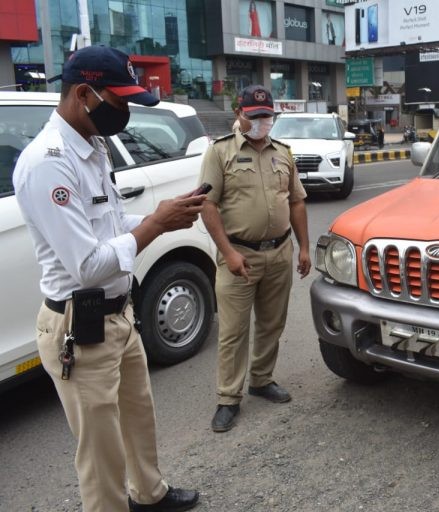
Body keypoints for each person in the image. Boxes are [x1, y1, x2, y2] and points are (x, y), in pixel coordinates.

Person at [13, 46, 202, 512]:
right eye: (118, 102)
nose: (125, 112)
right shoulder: (49, 163)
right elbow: (89, 265)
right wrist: (154, 226)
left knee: (139, 416)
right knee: (100, 451)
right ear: (84, 93)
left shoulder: (92, 146)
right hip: (80, 326)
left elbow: (108, 224)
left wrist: (162, 216)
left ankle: (150, 494)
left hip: (118, 316)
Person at [199, 85, 311, 433]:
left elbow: (296, 201)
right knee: (233, 331)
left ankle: (262, 380)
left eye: (267, 116)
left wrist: (303, 247)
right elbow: (207, 204)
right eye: (255, 116)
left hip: (279, 252)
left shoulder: (284, 153)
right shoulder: (220, 153)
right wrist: (229, 253)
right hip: (239, 256)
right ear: (239, 114)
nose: (262, 122)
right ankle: (228, 398)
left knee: (272, 323)